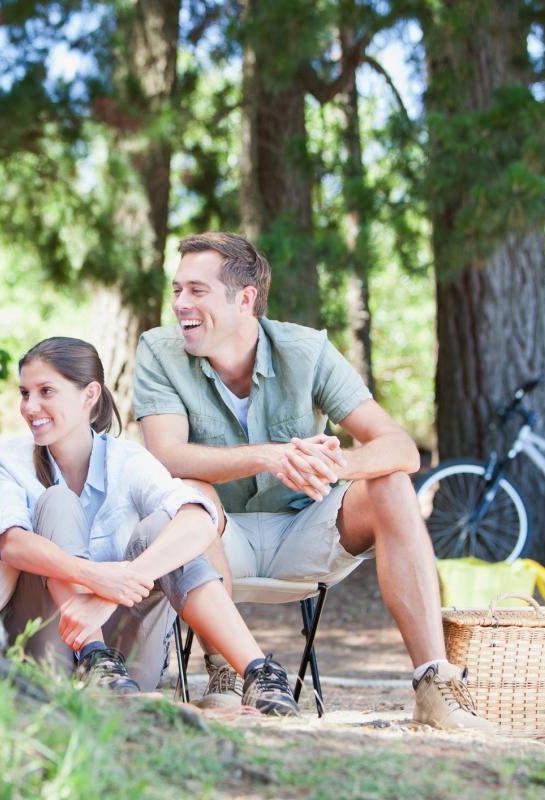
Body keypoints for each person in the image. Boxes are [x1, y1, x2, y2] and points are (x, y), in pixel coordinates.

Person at [133, 231, 493, 729]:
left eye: (197, 290)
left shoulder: (306, 351)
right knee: (191, 492)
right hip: (217, 533)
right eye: (177, 290)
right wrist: (269, 456)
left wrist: (333, 465)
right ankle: (229, 671)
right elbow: (167, 456)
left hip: (303, 530)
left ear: (245, 299)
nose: (180, 304)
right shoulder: (158, 350)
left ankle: (434, 683)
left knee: (390, 481)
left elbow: (401, 448)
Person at [0, 336, 299, 715]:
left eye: (45, 391)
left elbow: (201, 521)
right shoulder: (10, 459)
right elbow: (10, 543)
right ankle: (93, 657)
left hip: (127, 662)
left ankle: (258, 672)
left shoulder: (127, 459)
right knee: (58, 501)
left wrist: (119, 585)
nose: (30, 407)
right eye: (25, 393)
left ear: (90, 395)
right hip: (46, 642)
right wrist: (95, 577)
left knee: (165, 527)